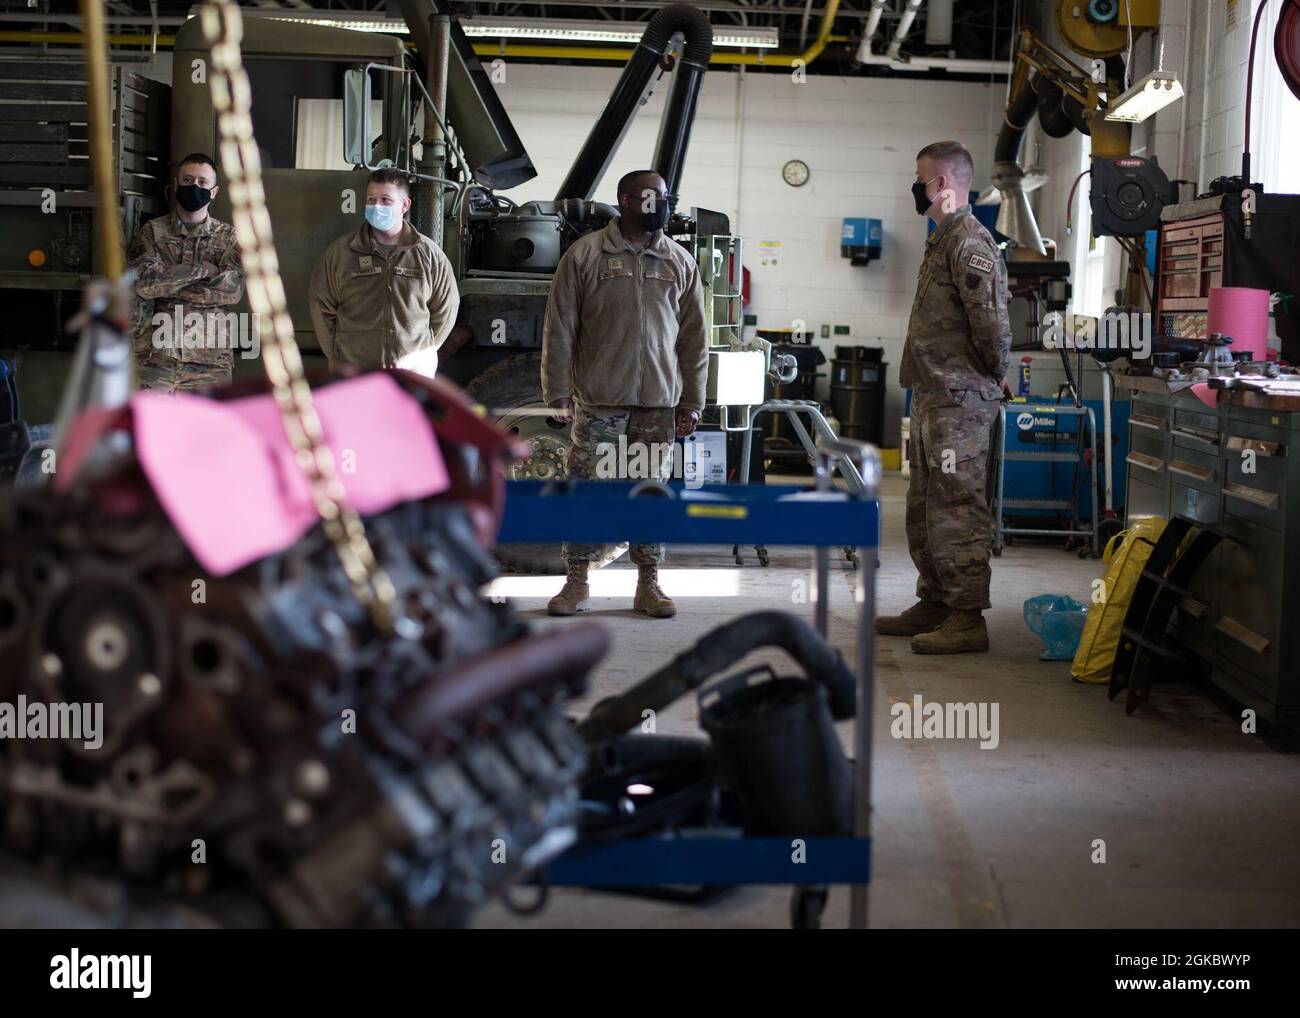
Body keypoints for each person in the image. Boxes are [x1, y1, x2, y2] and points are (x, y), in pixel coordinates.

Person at [542, 169, 708, 619]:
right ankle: (576, 581)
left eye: (666, 196)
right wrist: (557, 390)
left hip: (658, 403)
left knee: (649, 493)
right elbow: (560, 329)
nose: (662, 204)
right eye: (654, 196)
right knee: (587, 491)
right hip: (600, 399)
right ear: (627, 200)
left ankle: (648, 583)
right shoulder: (586, 255)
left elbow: (694, 339)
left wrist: (693, 401)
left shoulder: (679, 260)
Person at [876, 140, 1011, 654]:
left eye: (921, 178)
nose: (917, 187)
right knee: (926, 505)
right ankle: (935, 600)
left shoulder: (970, 242)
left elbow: (992, 326)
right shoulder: (942, 238)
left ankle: (967, 615)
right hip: (935, 395)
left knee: (957, 506)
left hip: (961, 401)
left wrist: (993, 375)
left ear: (944, 185)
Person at [308, 168, 459, 378]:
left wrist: (423, 352)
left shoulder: (430, 255)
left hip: (412, 378)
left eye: (385, 200)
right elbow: (321, 307)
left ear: (404, 205)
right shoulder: (340, 254)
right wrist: (338, 355)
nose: (376, 206)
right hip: (354, 377)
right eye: (371, 199)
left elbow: (446, 310)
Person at [127, 153, 245, 392]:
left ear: (214, 191)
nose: (194, 186)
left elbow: (231, 291)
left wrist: (169, 282)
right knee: (150, 430)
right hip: (155, 359)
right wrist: (202, 271)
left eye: (202, 182)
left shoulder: (229, 238)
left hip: (209, 363)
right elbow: (144, 284)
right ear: (176, 184)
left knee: (205, 431)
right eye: (188, 180)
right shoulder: (152, 232)